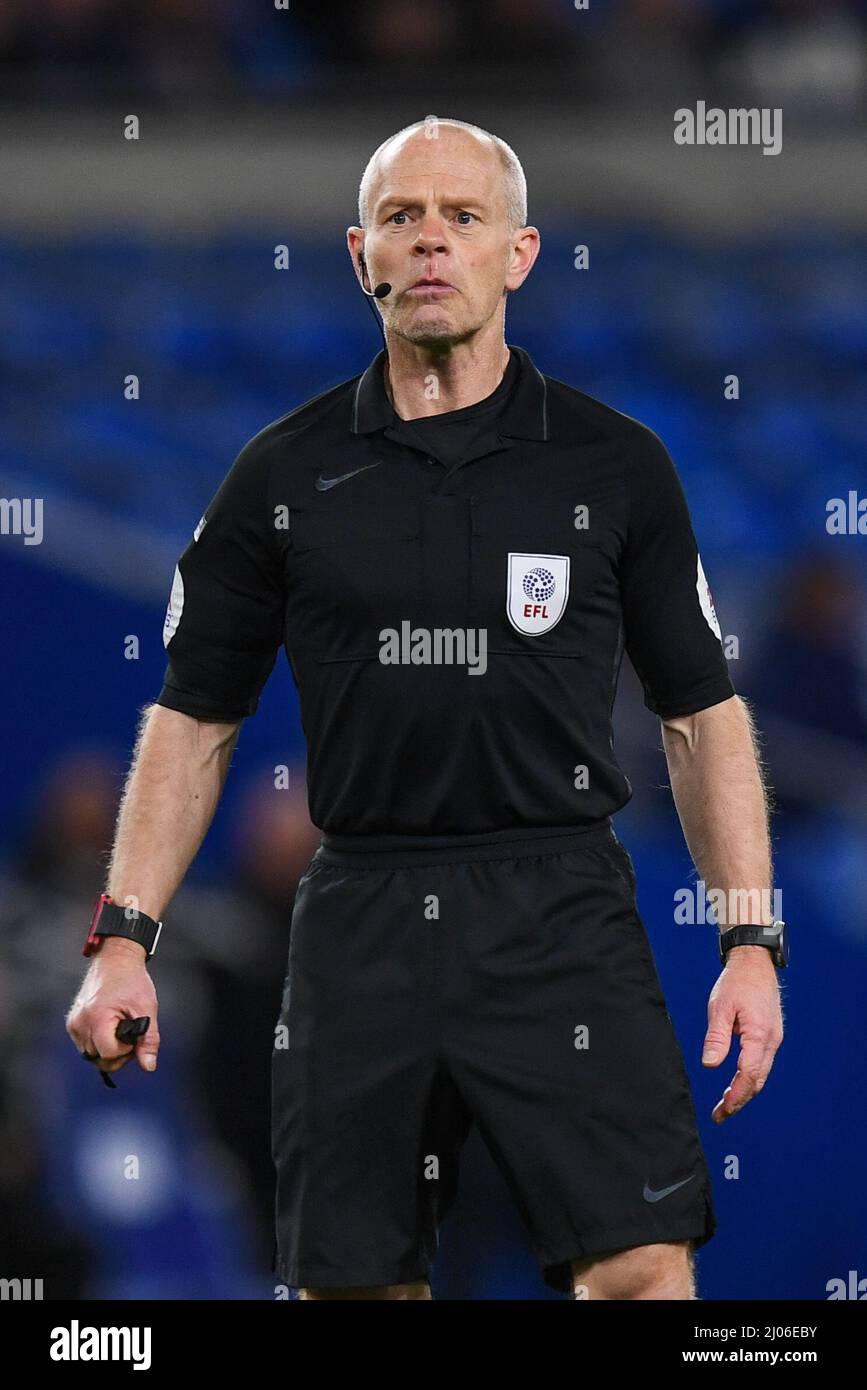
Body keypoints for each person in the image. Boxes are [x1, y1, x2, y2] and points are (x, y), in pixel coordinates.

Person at [66, 116, 785, 1301]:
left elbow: (701, 717)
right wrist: (124, 938)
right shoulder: (280, 476)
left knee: (645, 1271)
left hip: (561, 908)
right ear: (361, 256)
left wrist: (750, 940)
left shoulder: (616, 466)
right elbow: (193, 717)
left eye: (463, 217)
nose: (432, 241)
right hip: (363, 917)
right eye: (402, 217)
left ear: (521, 253)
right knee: (352, 1287)